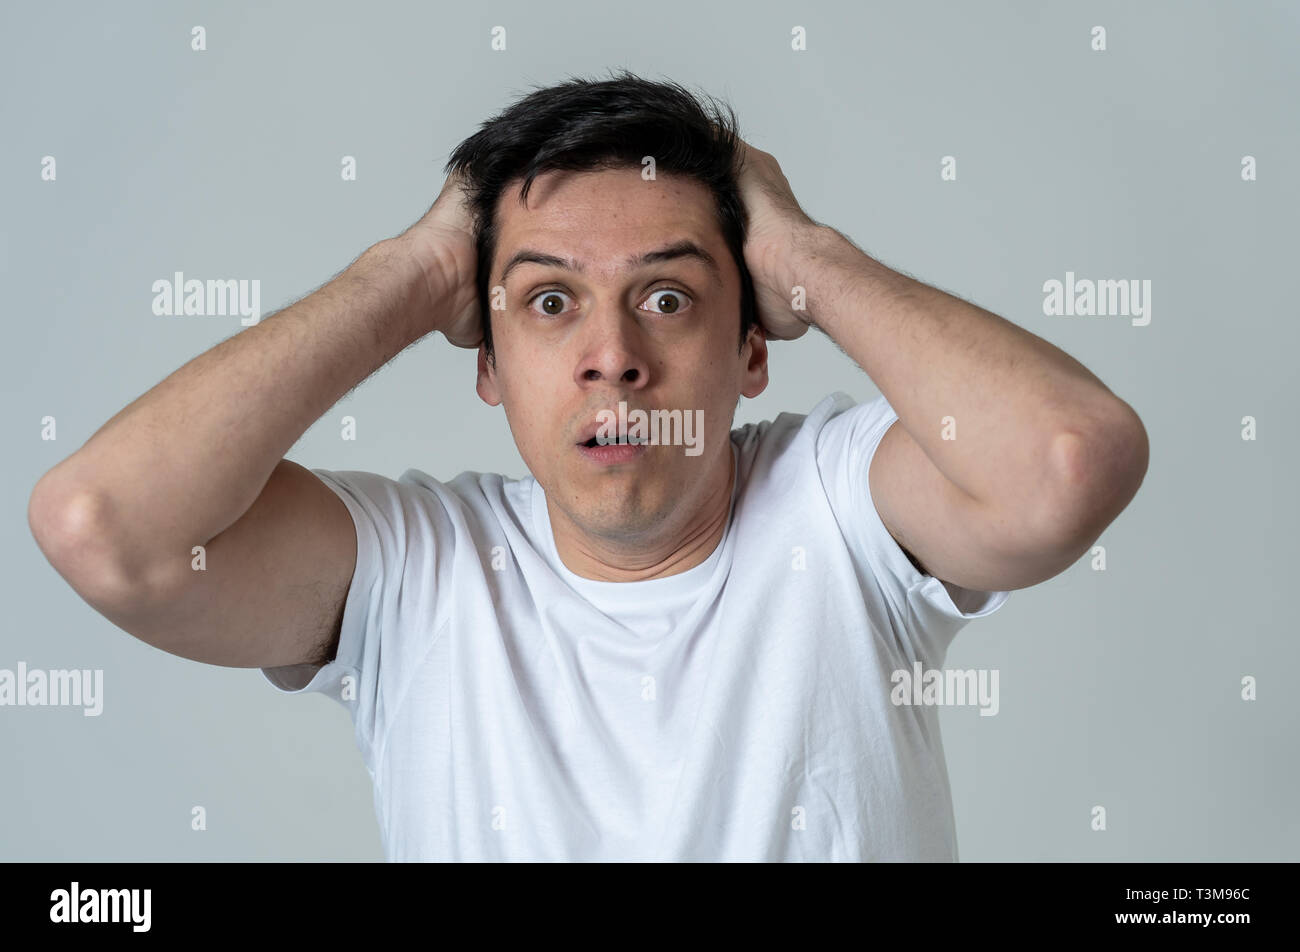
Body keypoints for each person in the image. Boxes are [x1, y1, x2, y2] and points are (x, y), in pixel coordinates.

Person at [27, 71, 1148, 861]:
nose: (612, 359)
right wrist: (414, 271)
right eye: (550, 303)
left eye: (668, 297)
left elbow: (1066, 459)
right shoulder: (418, 569)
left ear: (752, 349)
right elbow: (102, 526)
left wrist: (809, 258)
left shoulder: (840, 507)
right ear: (490, 369)